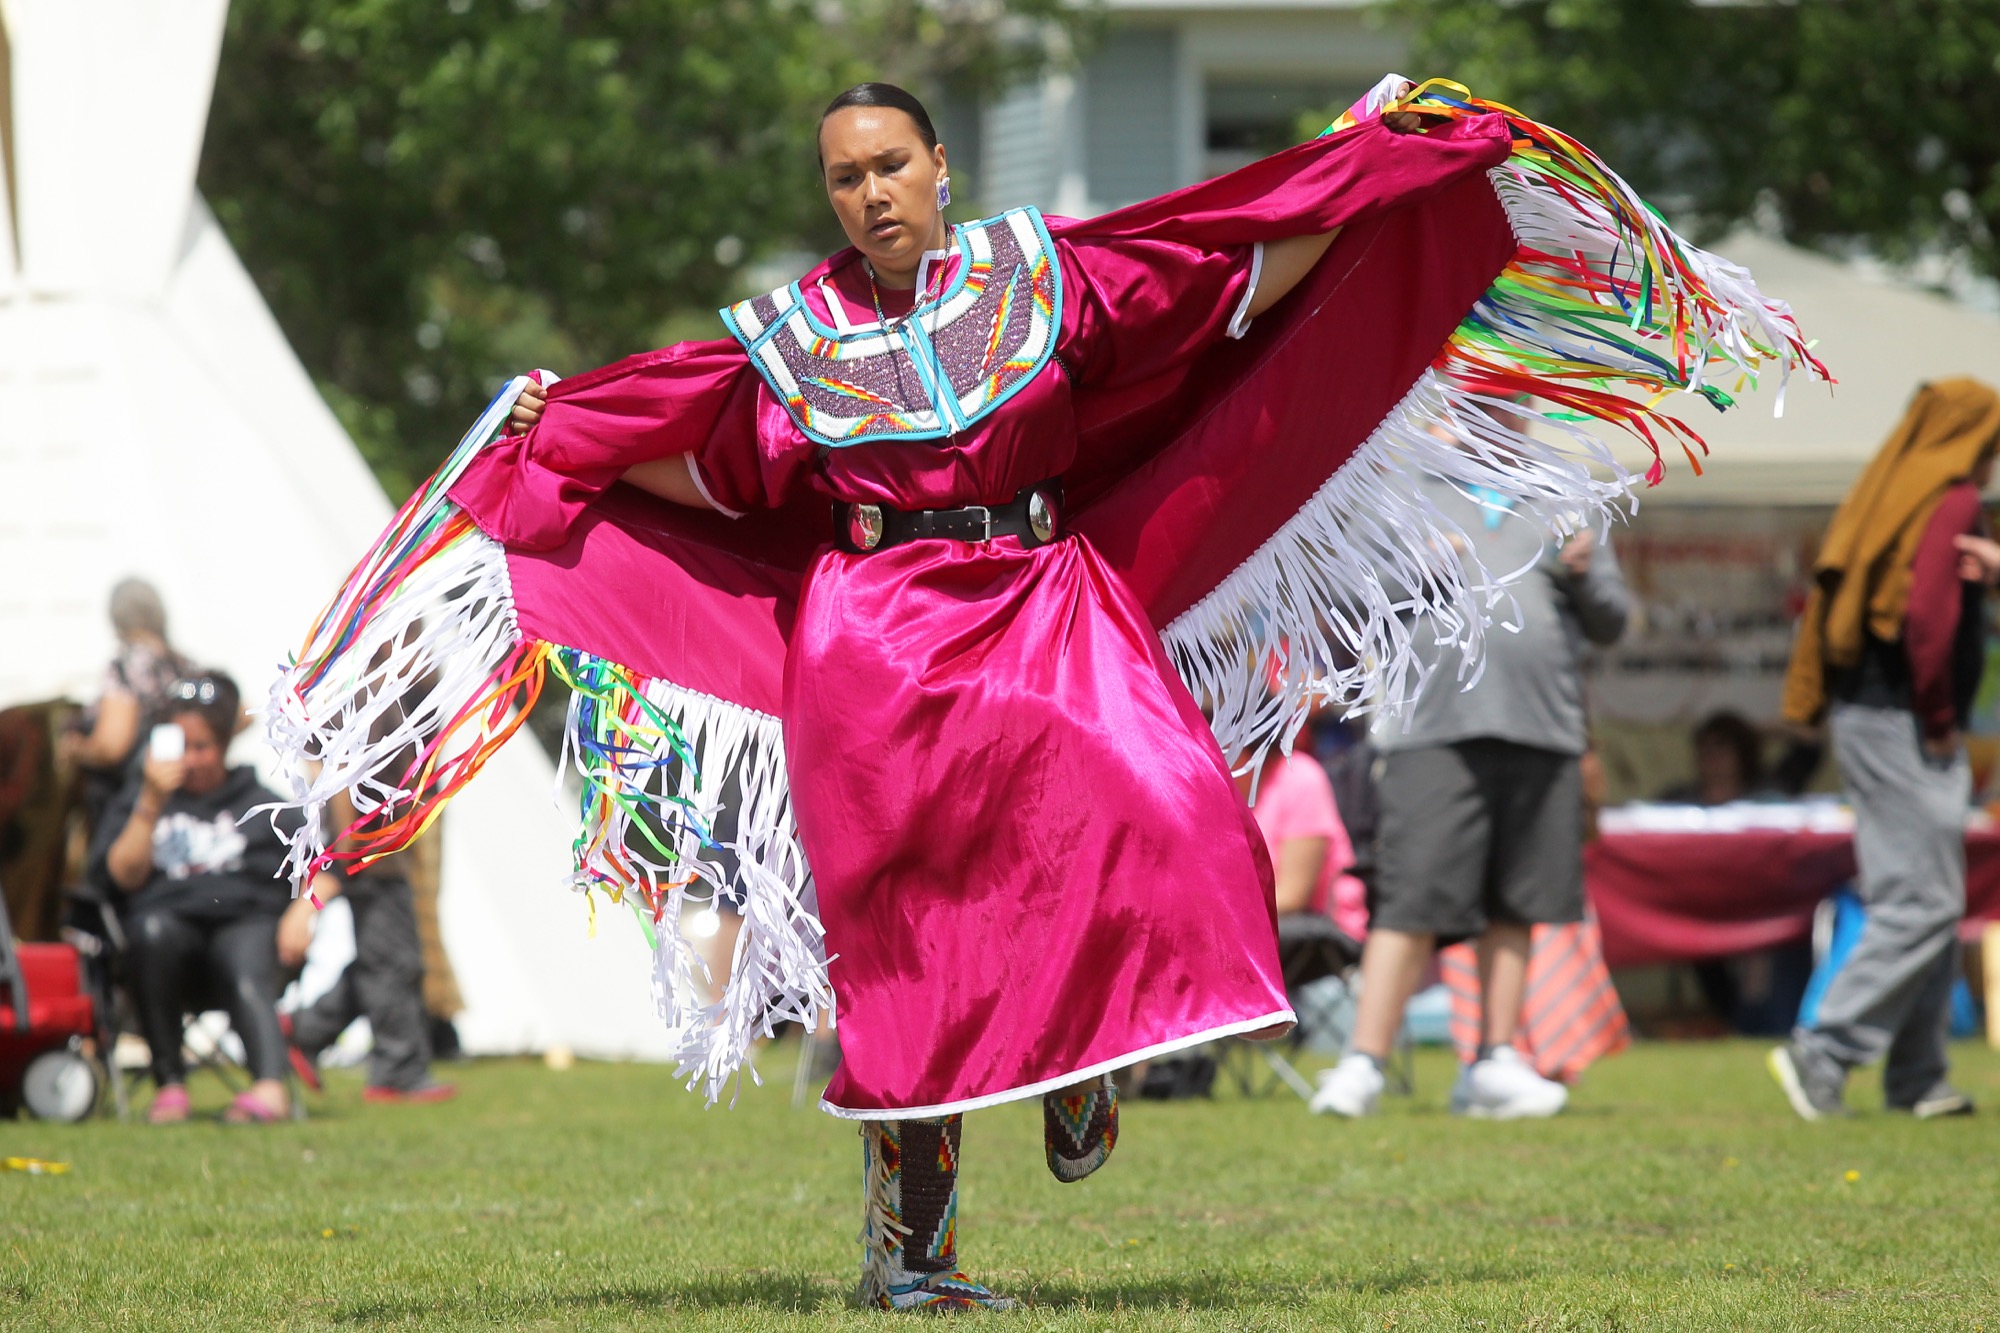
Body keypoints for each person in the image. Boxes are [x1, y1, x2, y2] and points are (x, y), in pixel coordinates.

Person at [266, 78, 1816, 1311]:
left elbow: (1225, 278)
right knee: (909, 950)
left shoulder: (1041, 280)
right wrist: (564, 437)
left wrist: (1357, 174)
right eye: (842, 176)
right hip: (872, 638)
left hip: (1045, 599)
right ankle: (910, 1258)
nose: (869, 193)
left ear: (941, 165)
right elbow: (703, 460)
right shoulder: (793, 344)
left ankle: (1086, 1073)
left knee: (1165, 812)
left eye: (890, 163)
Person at [1311, 428, 1632, 1121]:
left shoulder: (1562, 496)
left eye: (1512, 397)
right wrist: (1423, 571)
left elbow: (1612, 622)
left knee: (1517, 902)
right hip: (1432, 728)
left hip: (1543, 727)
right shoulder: (1402, 491)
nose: (1498, 407)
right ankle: (1361, 1063)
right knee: (1412, 897)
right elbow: (1355, 606)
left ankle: (1493, 1060)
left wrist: (1582, 573)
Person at [1773, 379, 2000, 1120]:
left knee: (1927, 890)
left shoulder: (1893, 490)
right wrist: (1939, 716)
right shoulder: (1954, 497)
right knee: (1925, 898)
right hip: (1905, 717)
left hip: (1873, 712)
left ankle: (1918, 1075)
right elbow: (1928, 619)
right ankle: (1825, 1048)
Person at [90, 673, 301, 1124]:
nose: (189, 759)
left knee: (244, 952)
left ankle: (269, 1087)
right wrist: (149, 799)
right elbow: (121, 877)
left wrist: (305, 909)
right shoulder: (141, 800)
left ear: (224, 745)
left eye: (201, 746)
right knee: (151, 932)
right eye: (179, 746)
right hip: (167, 946)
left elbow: (329, 860)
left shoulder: (261, 803)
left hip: (247, 930)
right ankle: (170, 1085)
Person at [277, 784, 456, 1104]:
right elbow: (347, 779)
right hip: (371, 853)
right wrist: (345, 850)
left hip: (385, 848)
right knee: (394, 963)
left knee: (390, 961)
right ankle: (397, 1071)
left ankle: (302, 1030)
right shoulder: (368, 734)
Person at [62, 578, 195, 836]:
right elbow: (236, 716)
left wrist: (76, 749)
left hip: (132, 810)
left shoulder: (127, 665)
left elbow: (111, 747)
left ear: (117, 618)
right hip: (186, 807)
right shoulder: (182, 664)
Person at [1240, 739, 1365, 939]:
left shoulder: (1299, 777)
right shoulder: (1213, 788)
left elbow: (1293, 896)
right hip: (1256, 928)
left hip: (1318, 937)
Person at [1657, 710, 1768, 806]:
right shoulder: (1675, 803)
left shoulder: (1765, 806)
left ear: (1742, 756)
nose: (1711, 757)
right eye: (1705, 750)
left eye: (1721, 750)